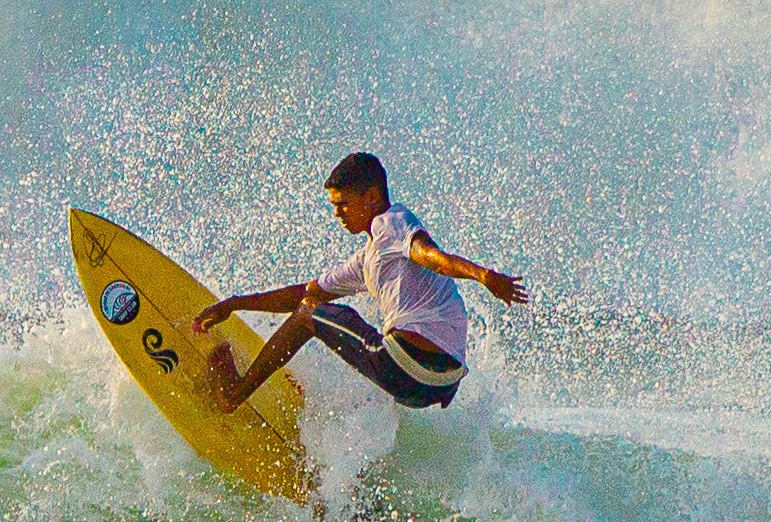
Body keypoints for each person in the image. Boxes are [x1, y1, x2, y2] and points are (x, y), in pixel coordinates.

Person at [191, 152, 525, 413]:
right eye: (335, 206)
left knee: (311, 314)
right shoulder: (371, 257)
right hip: (439, 382)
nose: (338, 214)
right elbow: (306, 292)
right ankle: (343, 478)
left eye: (343, 204)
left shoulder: (392, 222)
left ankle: (234, 394)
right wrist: (234, 303)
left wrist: (483, 276)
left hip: (411, 364)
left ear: (372, 196)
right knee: (322, 321)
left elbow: (430, 255)